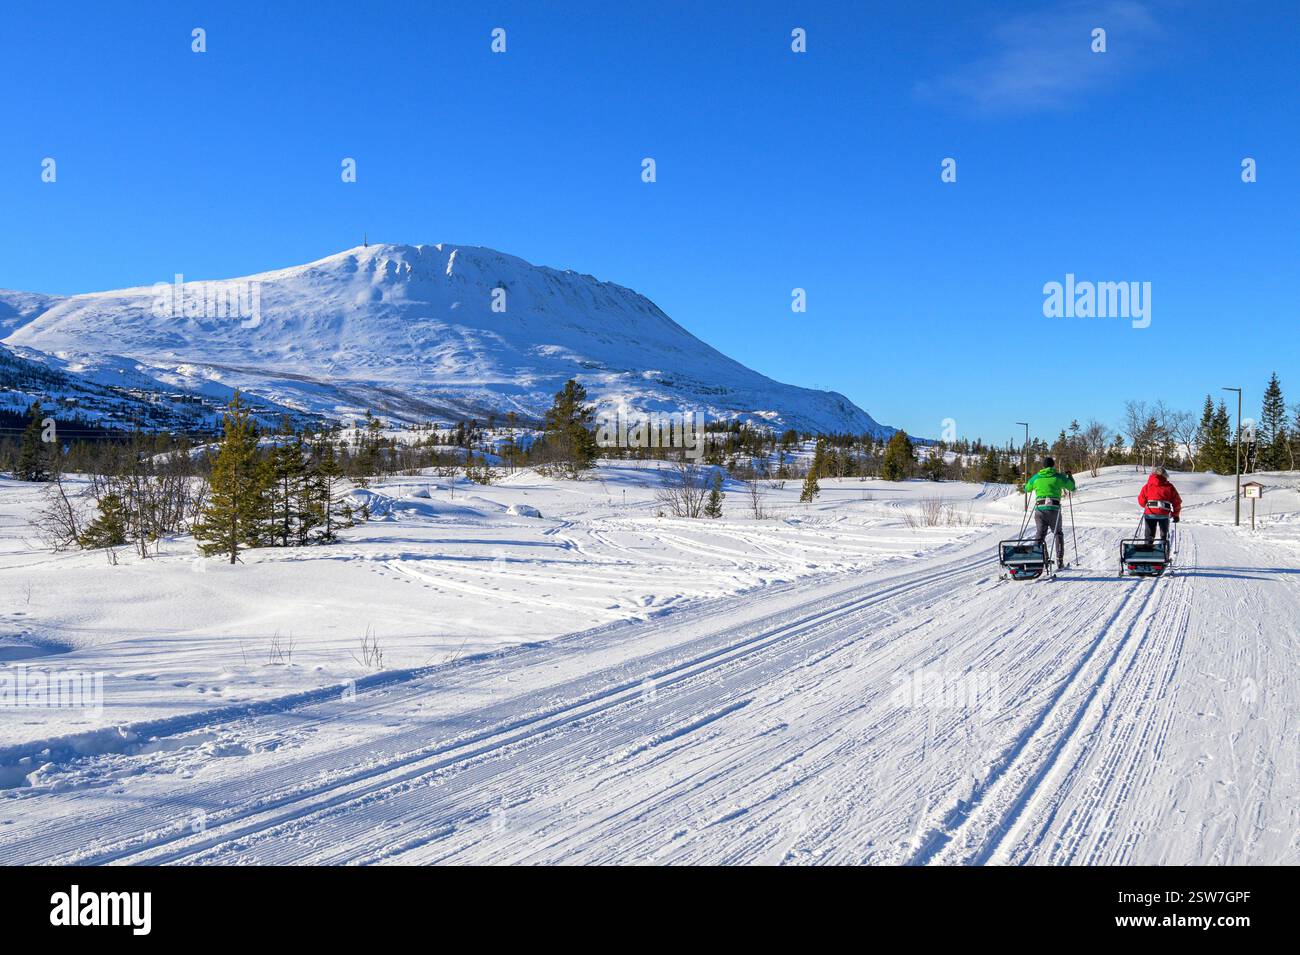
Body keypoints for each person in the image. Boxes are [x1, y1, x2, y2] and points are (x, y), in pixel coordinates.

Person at [1023, 456, 1076, 568]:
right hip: (1054, 509)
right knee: (1058, 533)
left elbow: (1027, 488)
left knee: (1040, 534)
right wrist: (1070, 476)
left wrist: (1030, 482)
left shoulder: (1036, 477)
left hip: (1040, 510)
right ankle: (1059, 560)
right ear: (1053, 465)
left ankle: (1037, 559)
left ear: (1043, 466)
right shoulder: (1058, 477)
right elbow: (1072, 487)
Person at [1138, 465, 1182, 548]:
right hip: (1164, 514)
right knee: (1163, 535)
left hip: (1150, 513)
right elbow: (1177, 501)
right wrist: (1175, 515)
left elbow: (1141, 501)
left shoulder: (1147, 486)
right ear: (1164, 475)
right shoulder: (1169, 487)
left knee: (1149, 535)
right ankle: (1162, 552)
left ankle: (1148, 552)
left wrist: (1147, 506)